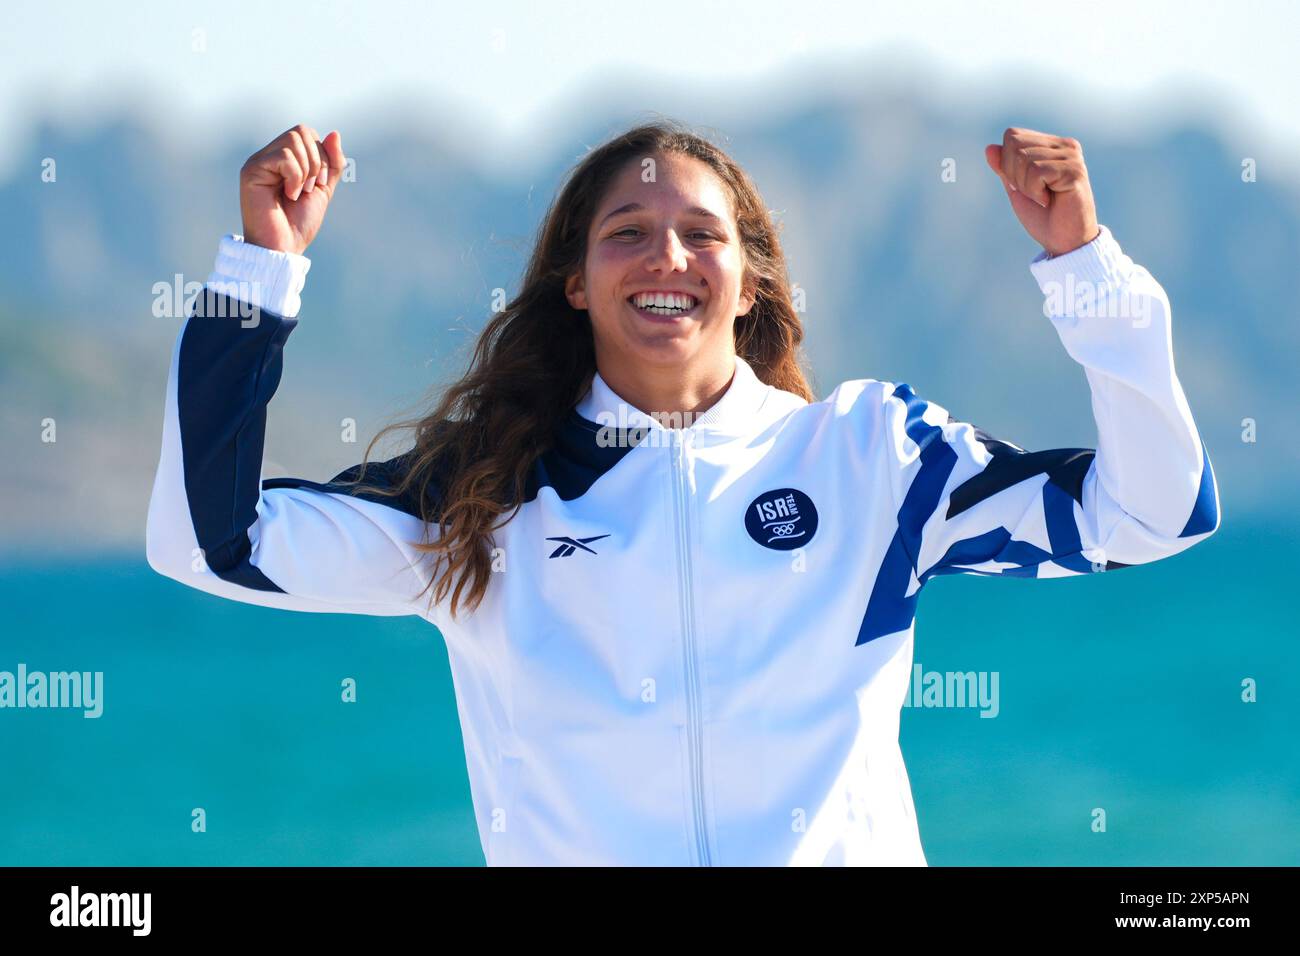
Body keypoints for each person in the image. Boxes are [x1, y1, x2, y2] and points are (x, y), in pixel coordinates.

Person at [145, 119, 1221, 866]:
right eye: (627, 232)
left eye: (701, 233)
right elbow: (208, 542)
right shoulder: (481, 493)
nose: (668, 254)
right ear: (577, 282)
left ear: (749, 278)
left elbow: (1152, 513)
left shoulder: (871, 457)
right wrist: (260, 268)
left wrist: (1083, 264)